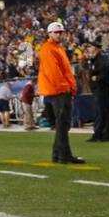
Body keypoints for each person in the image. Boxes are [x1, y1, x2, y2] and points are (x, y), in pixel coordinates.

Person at [38, 22, 84, 164]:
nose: (59, 34)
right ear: (49, 33)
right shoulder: (49, 49)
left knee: (61, 124)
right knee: (63, 123)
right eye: (56, 32)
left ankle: (58, 154)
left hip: (58, 89)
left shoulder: (56, 48)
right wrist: (66, 87)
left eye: (60, 32)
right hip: (59, 90)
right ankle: (64, 155)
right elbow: (54, 73)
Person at [84, 40, 109, 143]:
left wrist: (98, 77)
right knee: (103, 111)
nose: (88, 48)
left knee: (100, 111)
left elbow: (106, 71)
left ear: (96, 48)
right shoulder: (96, 59)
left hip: (101, 88)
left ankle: (98, 134)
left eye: (90, 46)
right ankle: (106, 135)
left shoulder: (102, 58)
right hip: (99, 88)